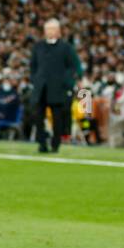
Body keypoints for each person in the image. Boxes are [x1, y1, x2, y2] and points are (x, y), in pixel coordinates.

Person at [29, 18, 81, 153]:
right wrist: (35, 79)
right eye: (47, 29)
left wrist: (65, 81)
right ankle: (41, 143)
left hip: (57, 89)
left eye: (52, 29)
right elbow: (33, 66)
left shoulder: (66, 47)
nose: (50, 32)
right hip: (40, 88)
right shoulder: (38, 46)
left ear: (58, 31)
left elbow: (74, 66)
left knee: (58, 118)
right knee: (38, 116)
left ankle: (55, 144)